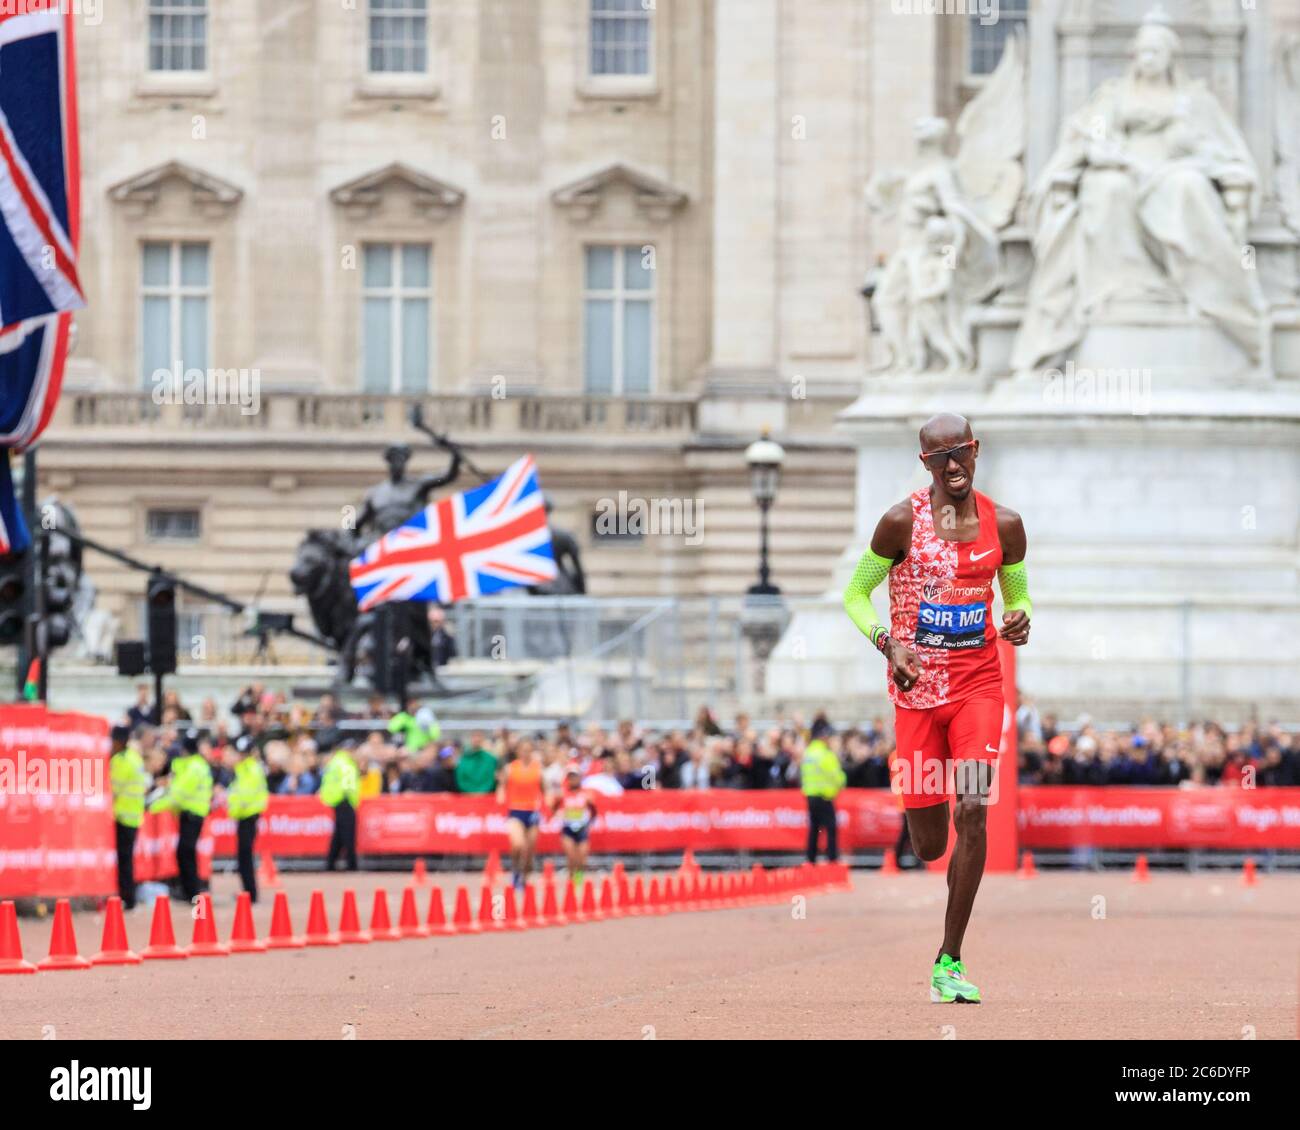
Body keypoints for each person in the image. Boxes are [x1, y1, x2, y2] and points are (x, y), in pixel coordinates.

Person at [843, 412, 1032, 1005]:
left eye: (963, 453)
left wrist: (1020, 616)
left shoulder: (1006, 524)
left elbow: (1017, 591)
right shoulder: (900, 522)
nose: (954, 466)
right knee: (929, 845)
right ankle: (935, 853)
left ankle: (948, 959)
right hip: (917, 696)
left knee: (973, 808)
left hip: (978, 687)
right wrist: (887, 643)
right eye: (940, 457)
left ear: (977, 452)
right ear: (923, 462)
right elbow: (854, 594)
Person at [147, 728, 213, 902]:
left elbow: (177, 795)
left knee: (185, 853)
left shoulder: (193, 767)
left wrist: (152, 807)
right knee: (186, 852)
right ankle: (190, 890)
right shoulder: (197, 765)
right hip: (194, 813)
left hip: (192, 814)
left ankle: (191, 892)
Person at [108, 724, 149, 910]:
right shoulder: (135, 758)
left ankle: (127, 898)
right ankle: (129, 896)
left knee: (124, 860)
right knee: (127, 859)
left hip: (122, 816)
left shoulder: (120, 760)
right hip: (134, 815)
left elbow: (112, 789)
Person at [225, 735, 269, 902]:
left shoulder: (251, 769)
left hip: (248, 816)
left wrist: (234, 809)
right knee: (243, 856)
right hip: (244, 816)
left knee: (245, 856)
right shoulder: (244, 768)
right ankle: (247, 891)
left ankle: (250, 893)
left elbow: (245, 796)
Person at [497, 741, 544, 891]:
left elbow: (544, 788)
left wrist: (548, 799)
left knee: (529, 851)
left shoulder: (538, 769)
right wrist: (501, 794)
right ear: (518, 751)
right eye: (523, 750)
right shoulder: (510, 768)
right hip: (516, 811)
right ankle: (516, 871)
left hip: (532, 812)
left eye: (528, 750)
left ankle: (524, 877)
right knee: (518, 844)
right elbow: (502, 785)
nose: (526, 753)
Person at [800, 726, 846, 863]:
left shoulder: (808, 753)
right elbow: (837, 777)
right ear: (824, 738)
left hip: (810, 795)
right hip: (824, 796)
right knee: (831, 828)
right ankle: (832, 858)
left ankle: (810, 859)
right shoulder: (826, 755)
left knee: (814, 828)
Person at [550, 762, 597, 888]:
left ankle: (578, 879)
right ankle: (571, 881)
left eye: (575, 776)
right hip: (568, 829)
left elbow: (593, 810)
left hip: (582, 829)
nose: (573, 779)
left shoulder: (587, 794)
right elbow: (553, 807)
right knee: (571, 856)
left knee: (581, 858)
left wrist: (590, 821)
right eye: (570, 777)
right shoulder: (562, 794)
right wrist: (558, 815)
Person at [320, 739, 361, 871]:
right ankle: (352, 864)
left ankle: (330, 863)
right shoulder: (347, 764)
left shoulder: (335, 761)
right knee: (348, 835)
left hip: (336, 800)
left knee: (338, 835)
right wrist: (351, 801)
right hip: (345, 801)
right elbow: (348, 785)